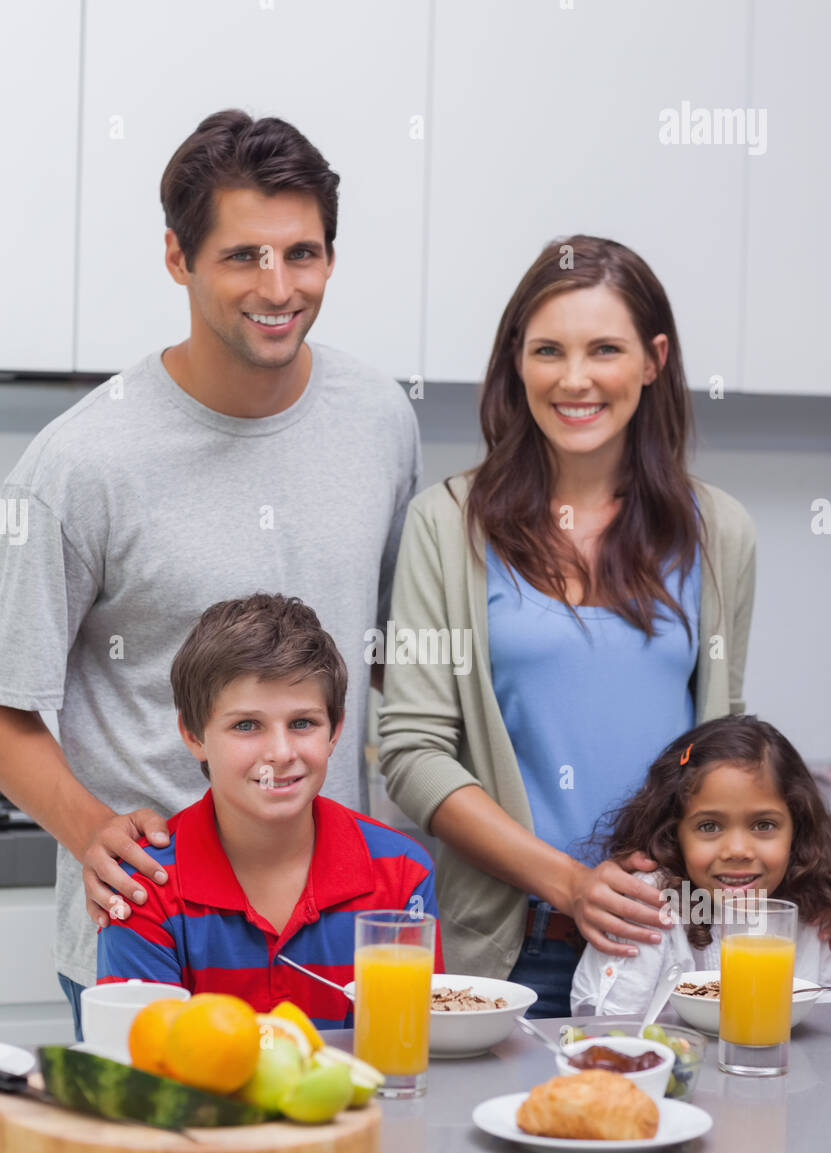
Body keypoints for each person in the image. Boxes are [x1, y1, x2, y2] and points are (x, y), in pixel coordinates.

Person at [0, 110, 420, 1031]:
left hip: (336, 949)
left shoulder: (380, 420)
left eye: (302, 253)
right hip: (150, 942)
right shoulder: (79, 466)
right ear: (177, 258)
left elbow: (387, 657)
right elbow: (7, 704)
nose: (278, 287)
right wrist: (86, 830)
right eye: (242, 257)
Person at [378, 234, 757, 1018]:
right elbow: (414, 752)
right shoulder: (445, 526)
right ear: (517, 359)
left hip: (669, 947)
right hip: (516, 946)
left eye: (605, 350)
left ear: (653, 361)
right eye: (549, 349)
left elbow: (721, 748)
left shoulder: (719, 533)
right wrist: (570, 883)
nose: (575, 379)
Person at [97, 593, 443, 1033]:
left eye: (303, 723)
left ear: (335, 729)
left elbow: (409, 1041)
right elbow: (145, 1065)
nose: (279, 753)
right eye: (246, 725)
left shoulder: (402, 873)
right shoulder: (142, 888)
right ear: (193, 734)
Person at [571, 715, 831, 1015]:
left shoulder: (820, 912)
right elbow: (609, 1025)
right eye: (709, 827)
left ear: (797, 829)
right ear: (674, 834)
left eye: (763, 824)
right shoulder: (650, 905)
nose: (737, 851)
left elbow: (825, 1034)